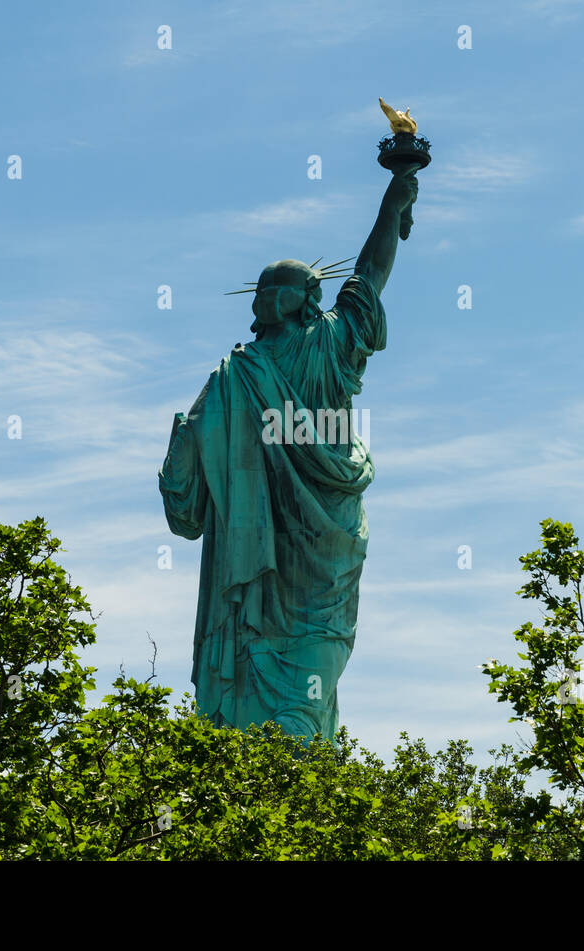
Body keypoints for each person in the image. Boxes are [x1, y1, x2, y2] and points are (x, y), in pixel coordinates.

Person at [158, 165, 419, 741]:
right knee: (252, 705)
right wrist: (185, 439)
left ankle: (306, 816)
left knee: (310, 696)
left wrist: (394, 197)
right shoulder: (234, 374)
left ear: (307, 297)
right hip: (251, 561)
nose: (267, 293)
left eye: (281, 285)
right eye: (262, 285)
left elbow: (369, 277)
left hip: (320, 547)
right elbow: (188, 500)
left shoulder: (328, 344)